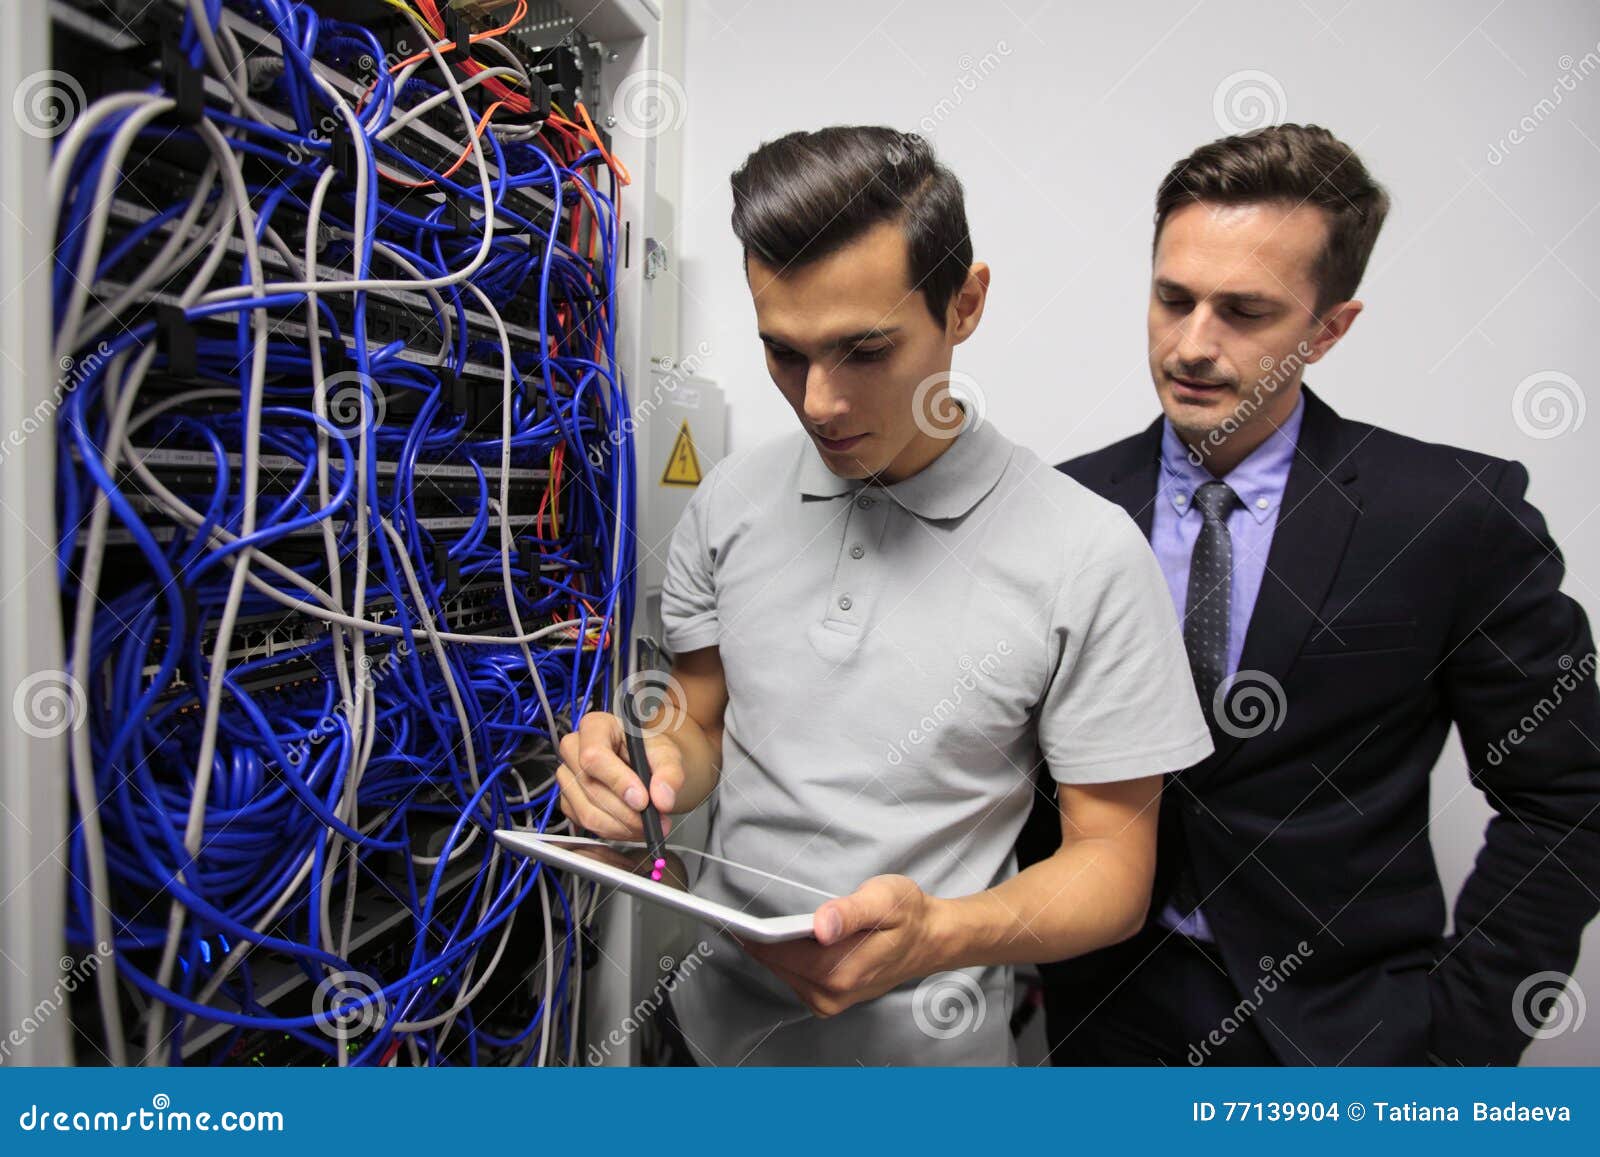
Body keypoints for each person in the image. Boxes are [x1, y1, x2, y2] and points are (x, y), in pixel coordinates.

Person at [555, 126, 1213, 1065]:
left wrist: (937, 934)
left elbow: (1111, 869)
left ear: (965, 304)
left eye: (864, 351)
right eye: (784, 353)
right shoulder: (729, 500)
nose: (819, 402)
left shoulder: (1088, 553)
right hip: (700, 1037)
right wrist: (642, 775)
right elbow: (699, 724)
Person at [1018, 123, 1600, 1066]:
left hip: (1350, 1039)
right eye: (1173, 299)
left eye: (1245, 311)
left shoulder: (1451, 514)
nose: (1192, 345)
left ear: (1330, 328)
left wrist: (1459, 1042)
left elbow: (1567, 793)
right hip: (1102, 1029)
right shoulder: (1059, 506)